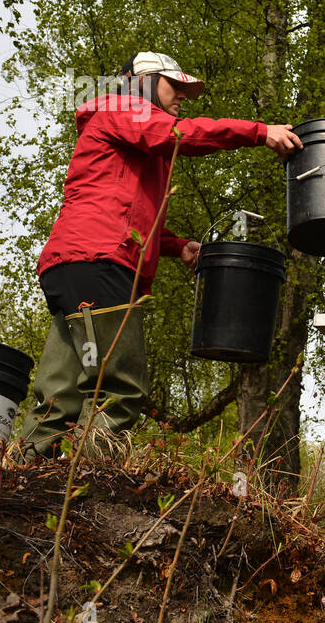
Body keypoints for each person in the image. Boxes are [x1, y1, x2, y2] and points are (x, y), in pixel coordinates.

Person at [17, 51, 303, 459]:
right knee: (120, 389)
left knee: (58, 393)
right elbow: (179, 135)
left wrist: (176, 245)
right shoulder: (123, 107)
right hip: (101, 264)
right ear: (142, 81)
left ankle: (27, 482)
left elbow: (127, 211)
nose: (182, 97)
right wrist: (259, 132)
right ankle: (92, 491)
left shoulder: (121, 132)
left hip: (69, 267)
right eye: (175, 86)